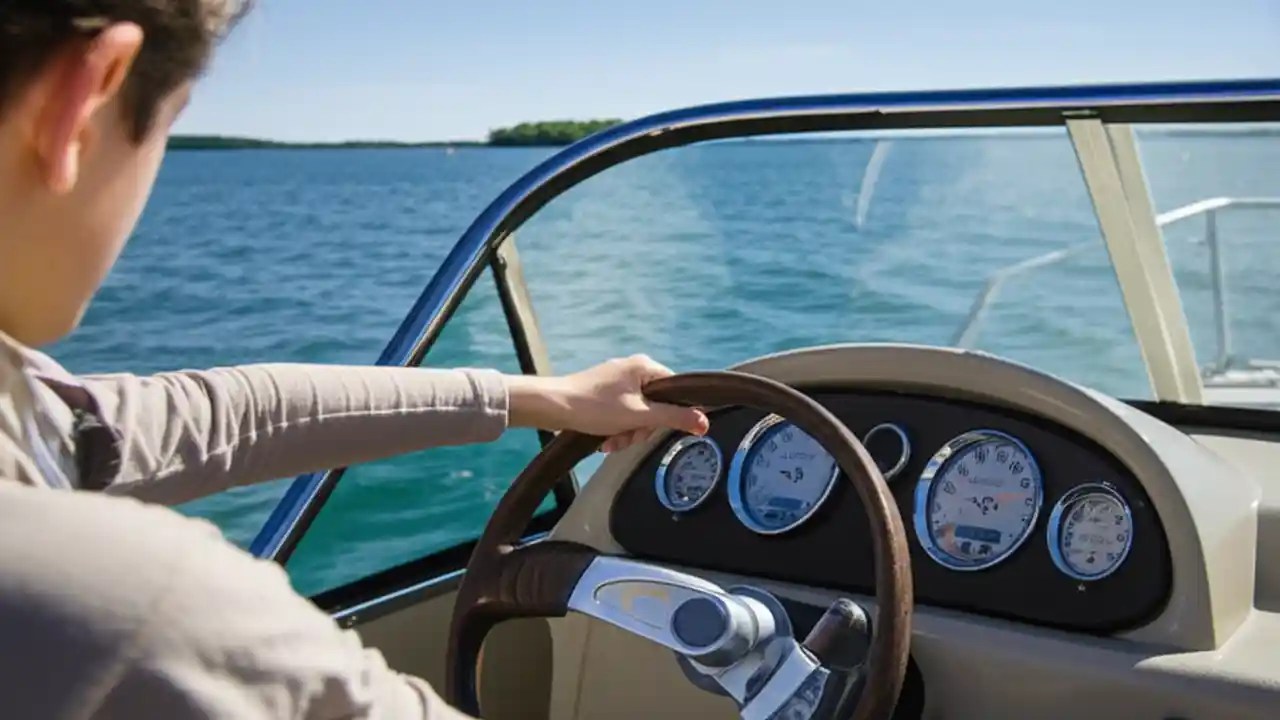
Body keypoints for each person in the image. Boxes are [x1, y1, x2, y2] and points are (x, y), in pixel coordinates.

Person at [0, 2, 709, 718]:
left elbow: (200, 420)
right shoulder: (132, 615)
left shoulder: (30, 419)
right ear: (86, 97)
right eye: (167, 123)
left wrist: (549, 399)